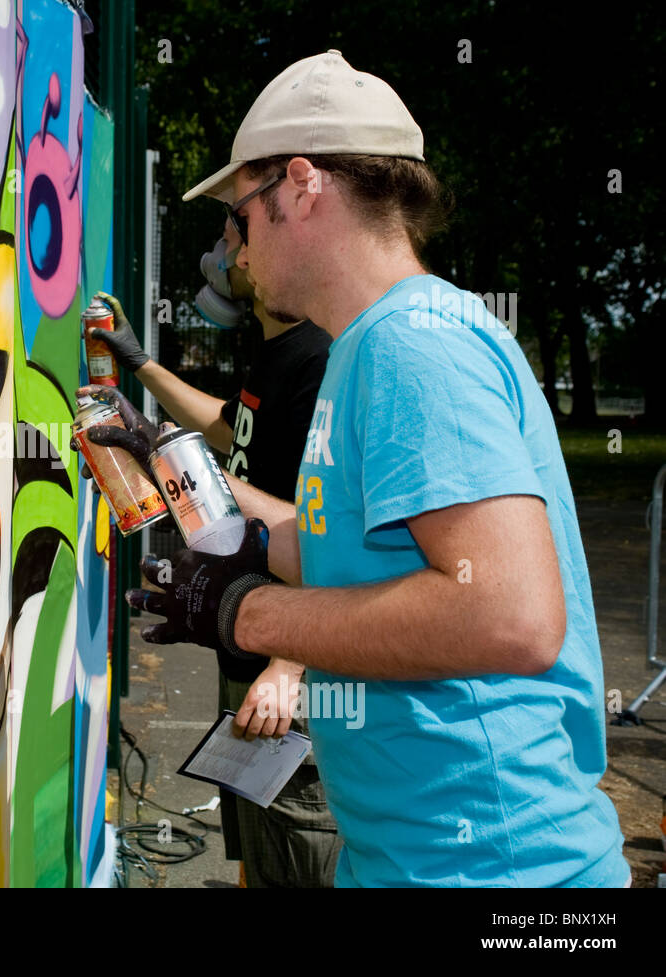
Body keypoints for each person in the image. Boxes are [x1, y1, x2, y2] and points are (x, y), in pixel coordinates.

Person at [88, 50, 630, 887]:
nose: (236, 247)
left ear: (301, 185)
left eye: (243, 212)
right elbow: (346, 545)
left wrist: (249, 616)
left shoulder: (413, 344)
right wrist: (174, 462)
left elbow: (511, 613)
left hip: (497, 872)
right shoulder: (366, 346)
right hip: (415, 859)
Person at [83, 230, 338, 887]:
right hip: (252, 639)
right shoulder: (279, 349)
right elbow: (229, 426)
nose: (229, 256)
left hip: (288, 661)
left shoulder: (320, 357)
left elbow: (330, 531)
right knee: (257, 842)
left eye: (236, 237)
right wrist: (138, 366)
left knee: (301, 852)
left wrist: (290, 664)